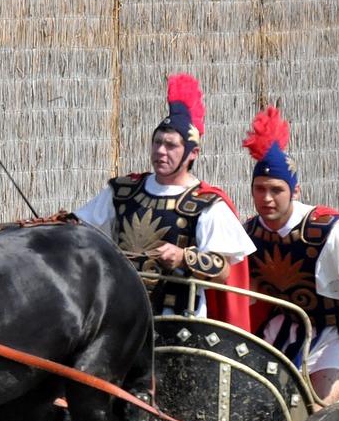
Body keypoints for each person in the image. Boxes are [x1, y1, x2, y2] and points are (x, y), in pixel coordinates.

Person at [242, 105, 339, 403]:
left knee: (320, 415)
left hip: (332, 336)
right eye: (259, 189)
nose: (266, 198)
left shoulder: (330, 231)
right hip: (277, 334)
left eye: (276, 189)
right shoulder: (249, 234)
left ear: (295, 191)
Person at [76, 73, 254, 328]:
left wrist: (185, 257)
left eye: (171, 145)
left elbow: (223, 269)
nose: (160, 151)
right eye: (157, 142)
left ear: (192, 153)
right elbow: (82, 227)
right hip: (119, 314)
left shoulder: (206, 203)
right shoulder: (125, 192)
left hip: (178, 323)